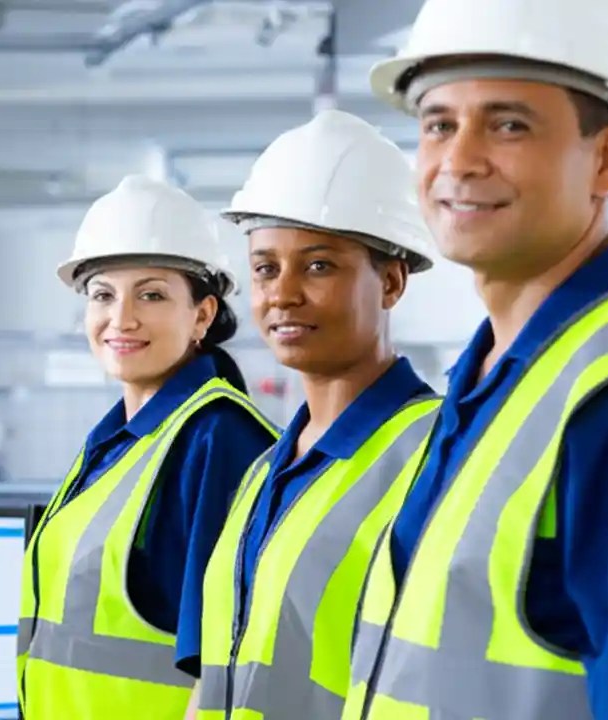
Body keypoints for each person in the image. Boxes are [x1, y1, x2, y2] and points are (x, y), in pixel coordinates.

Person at [343, 0, 608, 718]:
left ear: (606, 156)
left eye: (508, 124)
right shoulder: (485, 388)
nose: (459, 160)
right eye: (439, 124)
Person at [191, 110, 442, 720]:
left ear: (392, 282)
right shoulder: (262, 476)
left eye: (319, 265)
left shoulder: (434, 455)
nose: (283, 293)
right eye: (265, 268)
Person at [17, 174, 280, 720]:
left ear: (202, 315)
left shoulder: (219, 440)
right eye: (103, 295)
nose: (122, 319)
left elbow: (222, 673)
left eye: (152, 294)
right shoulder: (119, 442)